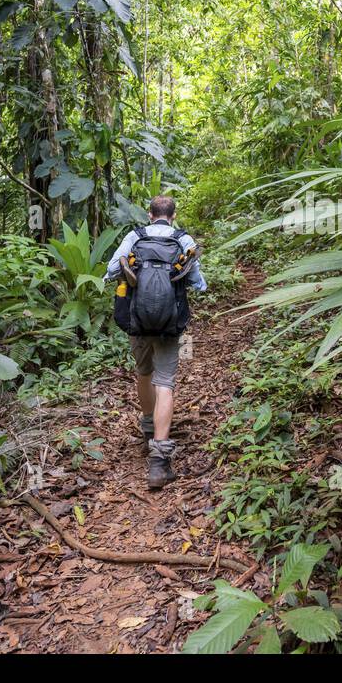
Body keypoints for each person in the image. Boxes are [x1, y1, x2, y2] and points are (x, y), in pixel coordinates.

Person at [104, 196, 206, 489]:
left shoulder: (134, 236)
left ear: (150, 214)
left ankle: (149, 429)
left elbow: (113, 269)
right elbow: (197, 281)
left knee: (143, 373)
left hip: (138, 320)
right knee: (165, 383)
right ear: (173, 216)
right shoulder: (183, 239)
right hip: (169, 322)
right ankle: (159, 463)